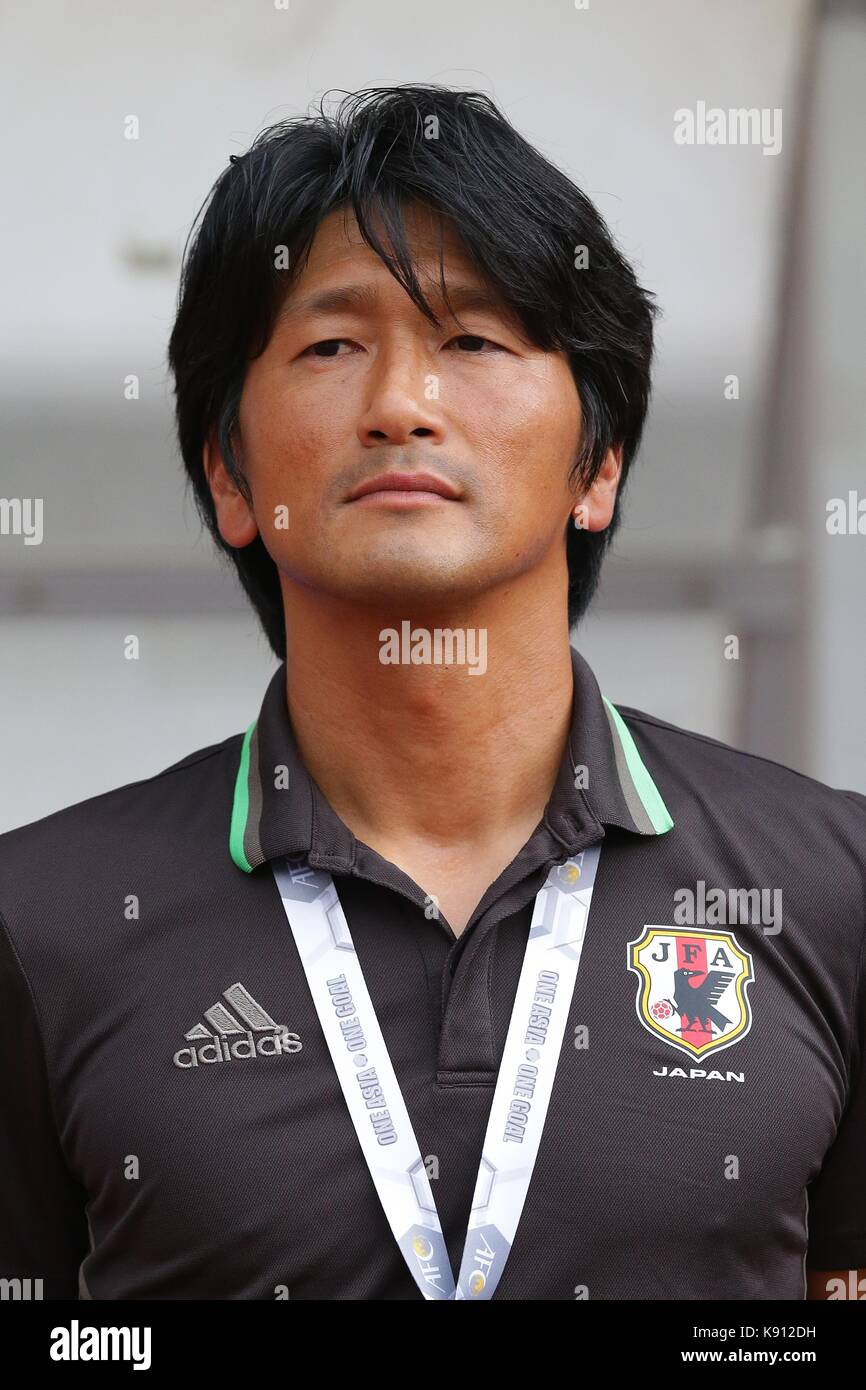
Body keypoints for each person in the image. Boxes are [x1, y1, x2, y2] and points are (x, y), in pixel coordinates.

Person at [0, 85, 863, 1301]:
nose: (402, 404)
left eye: (472, 340)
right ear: (229, 474)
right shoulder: (43, 922)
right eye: (330, 345)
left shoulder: (831, 888)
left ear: (597, 464)